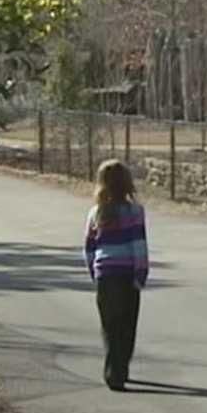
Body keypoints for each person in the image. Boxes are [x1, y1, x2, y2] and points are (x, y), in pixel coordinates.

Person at [84, 159, 149, 391]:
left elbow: (89, 247)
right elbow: (138, 245)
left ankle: (113, 369)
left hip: (105, 274)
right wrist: (140, 273)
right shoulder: (134, 212)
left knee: (110, 325)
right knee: (127, 324)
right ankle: (121, 368)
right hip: (126, 274)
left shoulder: (95, 213)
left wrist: (94, 272)